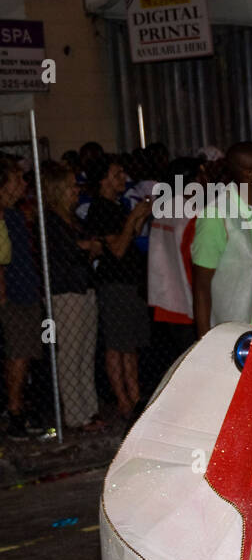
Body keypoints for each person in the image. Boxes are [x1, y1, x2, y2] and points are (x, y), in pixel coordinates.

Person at [192, 143, 252, 336]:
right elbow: (201, 286)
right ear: (249, 174)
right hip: (234, 332)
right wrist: (205, 341)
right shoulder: (216, 216)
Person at [83, 157, 152, 421]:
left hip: (128, 283)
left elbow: (127, 238)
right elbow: (118, 249)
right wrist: (133, 217)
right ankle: (123, 399)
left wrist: (137, 218)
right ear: (102, 181)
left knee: (130, 344)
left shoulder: (115, 206)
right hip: (114, 285)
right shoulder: (100, 208)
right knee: (116, 344)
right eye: (116, 174)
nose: (122, 178)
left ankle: (134, 396)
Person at [41, 163, 103, 432]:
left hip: (83, 286)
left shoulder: (72, 219)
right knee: (70, 352)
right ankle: (76, 415)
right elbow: (67, 254)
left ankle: (89, 410)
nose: (76, 190)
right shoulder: (50, 220)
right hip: (65, 291)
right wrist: (85, 248)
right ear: (58, 189)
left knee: (86, 351)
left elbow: (87, 249)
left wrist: (85, 248)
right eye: (71, 186)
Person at [0, 161, 41, 438]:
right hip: (12, 295)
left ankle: (18, 406)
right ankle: (15, 411)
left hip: (26, 292)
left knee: (25, 353)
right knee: (17, 354)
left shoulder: (14, 216)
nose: (22, 185)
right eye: (16, 180)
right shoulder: (6, 218)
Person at [147, 156, 201, 364]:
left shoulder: (164, 209)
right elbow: (193, 262)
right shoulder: (192, 214)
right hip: (187, 303)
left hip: (165, 298)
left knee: (178, 362)